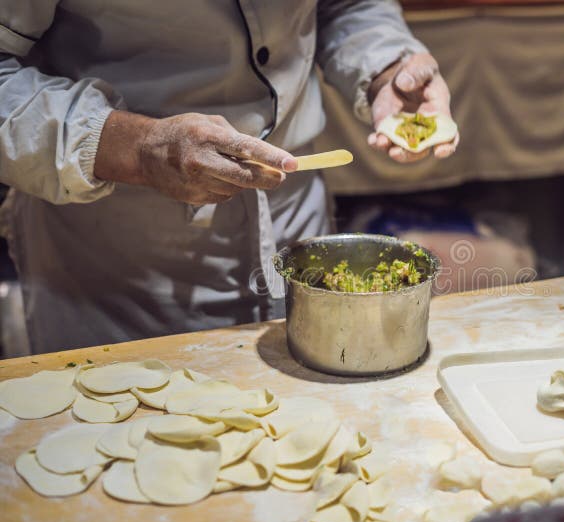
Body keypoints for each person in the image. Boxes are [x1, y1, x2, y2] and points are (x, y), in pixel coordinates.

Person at [0, 1, 458, 354]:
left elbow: (344, 6)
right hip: (117, 252)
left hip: (293, 216)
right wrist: (138, 147)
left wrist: (385, 69)